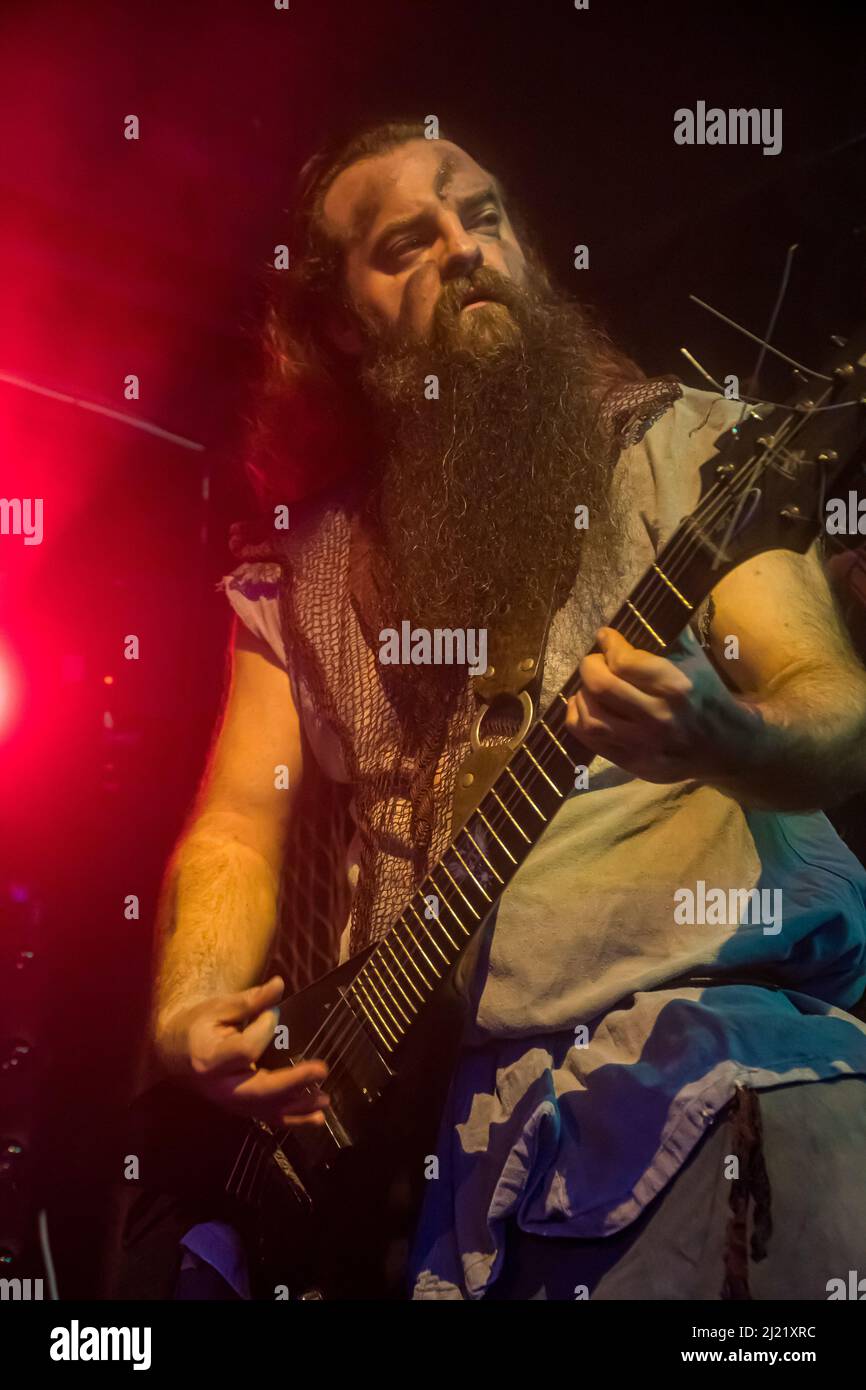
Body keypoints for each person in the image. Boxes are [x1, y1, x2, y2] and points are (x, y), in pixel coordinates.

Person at [124, 120, 866, 1300]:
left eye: (481, 215)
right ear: (333, 322)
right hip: (448, 1177)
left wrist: (723, 737)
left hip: (713, 1091)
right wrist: (190, 1009)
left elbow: (833, 715)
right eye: (404, 242)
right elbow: (234, 826)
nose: (465, 249)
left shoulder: (682, 453)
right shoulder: (293, 573)